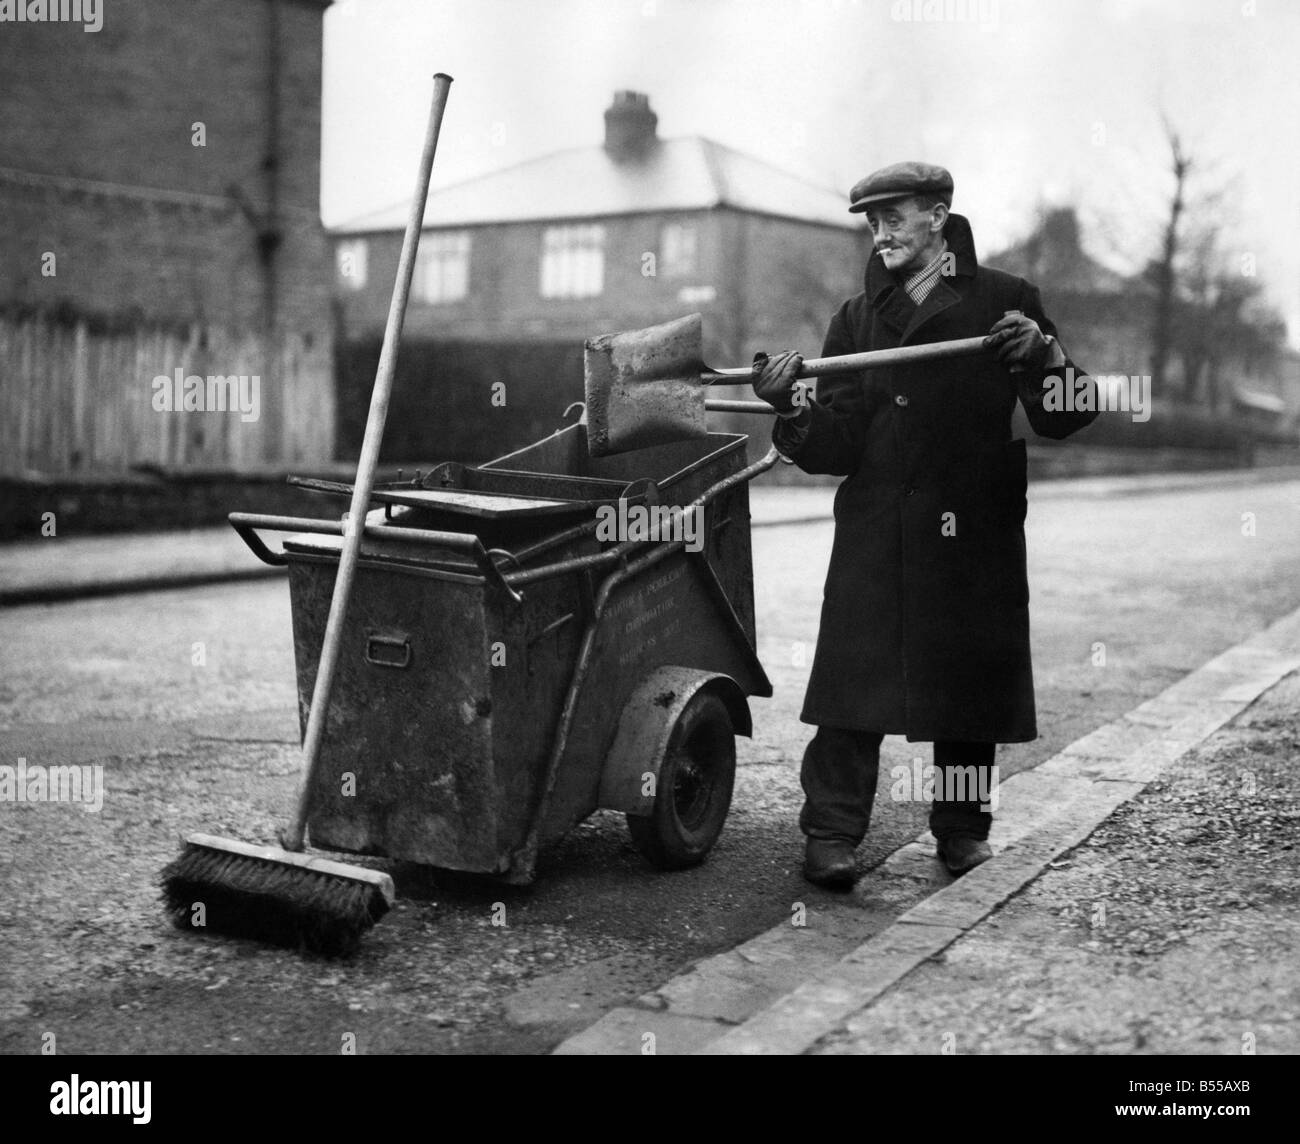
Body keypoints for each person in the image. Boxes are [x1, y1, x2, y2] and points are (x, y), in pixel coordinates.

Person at [752, 161, 1098, 887]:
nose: (879, 234)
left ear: (938, 217)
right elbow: (837, 444)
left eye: (893, 217)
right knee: (852, 688)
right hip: (879, 531)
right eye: (871, 222)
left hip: (972, 529)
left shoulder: (1007, 300)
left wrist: (1045, 357)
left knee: (968, 689)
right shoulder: (855, 319)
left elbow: (1067, 414)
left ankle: (963, 831)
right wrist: (792, 409)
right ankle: (833, 833)